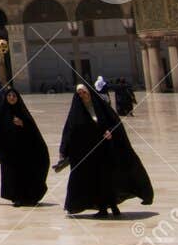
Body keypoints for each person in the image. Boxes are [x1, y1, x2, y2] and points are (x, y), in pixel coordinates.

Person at [58, 82, 153, 217]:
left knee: (108, 179)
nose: (82, 95)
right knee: (95, 181)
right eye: (79, 93)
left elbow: (114, 124)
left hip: (106, 151)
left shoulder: (101, 107)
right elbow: (69, 131)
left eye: (84, 92)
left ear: (90, 92)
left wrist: (110, 132)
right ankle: (103, 209)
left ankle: (113, 207)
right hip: (89, 153)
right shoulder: (77, 111)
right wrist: (63, 150)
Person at [0, 87, 49, 206]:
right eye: (9, 96)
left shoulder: (23, 112)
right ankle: (16, 197)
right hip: (9, 151)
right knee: (12, 174)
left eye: (14, 96)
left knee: (25, 173)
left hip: (24, 150)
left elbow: (33, 130)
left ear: (17, 98)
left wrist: (23, 124)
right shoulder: (3, 112)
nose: (11, 98)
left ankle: (29, 197)